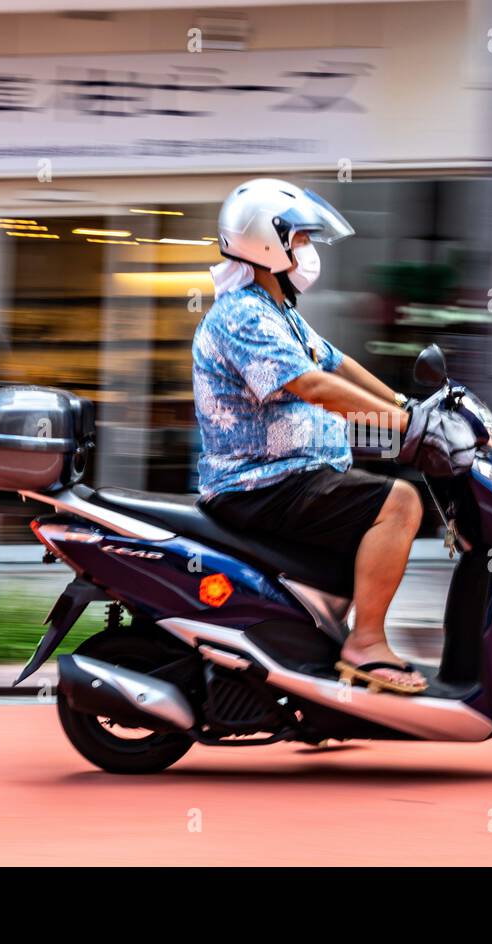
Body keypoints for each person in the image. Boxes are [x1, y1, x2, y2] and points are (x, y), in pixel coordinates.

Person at [193, 179, 432, 694]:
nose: (307, 251)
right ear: (267, 243)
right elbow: (315, 385)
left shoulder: (279, 312)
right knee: (400, 503)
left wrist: (406, 406)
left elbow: (336, 362)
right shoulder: (242, 315)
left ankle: (319, 670)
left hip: (291, 478)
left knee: (380, 497)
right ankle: (365, 644)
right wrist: (405, 425)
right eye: (300, 239)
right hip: (259, 485)